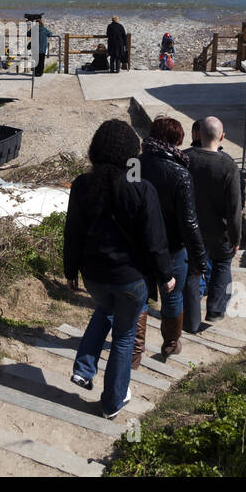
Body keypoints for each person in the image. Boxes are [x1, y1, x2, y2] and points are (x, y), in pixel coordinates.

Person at [64, 119, 175, 419]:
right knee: (124, 336)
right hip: (130, 279)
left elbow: (72, 231)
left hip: (94, 276)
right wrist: (166, 276)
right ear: (131, 154)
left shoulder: (82, 185)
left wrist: (70, 271)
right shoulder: (142, 189)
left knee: (104, 310)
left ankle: (84, 369)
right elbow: (155, 241)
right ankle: (112, 402)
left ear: (95, 149)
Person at [138, 116, 207, 351]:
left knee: (140, 295)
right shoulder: (181, 173)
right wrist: (199, 259)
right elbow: (189, 221)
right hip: (172, 246)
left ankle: (134, 348)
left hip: (139, 241)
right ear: (176, 140)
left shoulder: (134, 164)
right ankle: (170, 342)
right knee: (173, 295)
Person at [182, 117, 244, 323]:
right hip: (219, 230)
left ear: (198, 134)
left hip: (189, 227)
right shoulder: (228, 166)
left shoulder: (184, 158)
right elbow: (235, 208)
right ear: (222, 136)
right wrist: (236, 238)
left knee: (193, 269)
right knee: (222, 264)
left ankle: (191, 319)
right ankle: (215, 310)